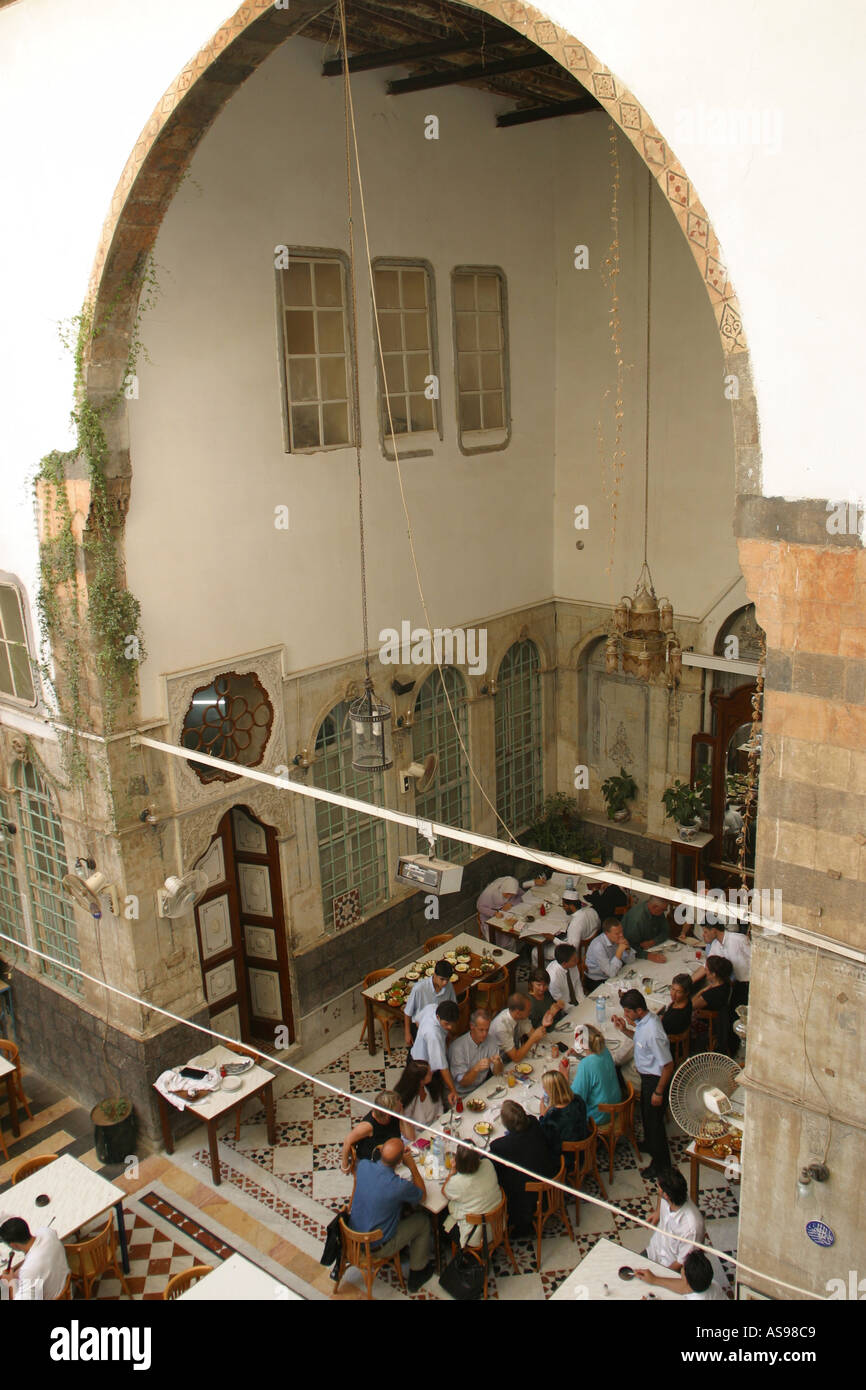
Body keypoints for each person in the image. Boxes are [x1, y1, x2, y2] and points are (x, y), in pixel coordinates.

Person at [347, 1137, 434, 1291]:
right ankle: (417, 1273)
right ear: (400, 1160)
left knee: (400, 1209)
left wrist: (388, 1150)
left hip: (353, 1237)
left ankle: (404, 1251)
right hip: (376, 1246)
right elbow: (422, 1196)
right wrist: (412, 1167)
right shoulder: (398, 1186)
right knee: (422, 1220)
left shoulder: (364, 1166)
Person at [612, 989, 674, 1178]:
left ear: (639, 1010)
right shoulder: (643, 1023)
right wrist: (624, 1029)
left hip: (655, 1080)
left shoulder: (653, 1032)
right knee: (647, 1118)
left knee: (655, 1124)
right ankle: (649, 1143)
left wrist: (658, 1092)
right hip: (646, 1076)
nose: (626, 1016)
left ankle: (661, 1164)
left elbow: (668, 1065)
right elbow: (639, 1040)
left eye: (628, 1012)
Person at [489, 1100, 558, 1237]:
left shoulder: (500, 1146)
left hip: (529, 1200)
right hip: (551, 1181)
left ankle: (517, 1224)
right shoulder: (533, 1122)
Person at [441, 1142, 502, 1248]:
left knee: (441, 1218)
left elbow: (444, 1191)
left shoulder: (457, 1183)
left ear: (457, 1161)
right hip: (498, 1226)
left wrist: (452, 1171)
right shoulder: (488, 1164)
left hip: (477, 1237)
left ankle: (462, 1255)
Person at [644, 1168, 706, 1271]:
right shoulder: (672, 1195)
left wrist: (658, 1277)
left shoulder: (691, 1228)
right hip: (654, 1251)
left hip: (670, 1266)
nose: (657, 1189)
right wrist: (658, 1212)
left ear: (666, 1195)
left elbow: (681, 1263)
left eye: (658, 1187)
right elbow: (660, 1197)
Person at [0, 1217, 69, 1300]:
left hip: (55, 1296)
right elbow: (38, 1255)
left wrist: (10, 1284)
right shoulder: (46, 1232)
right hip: (66, 1284)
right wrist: (18, 1273)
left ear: (13, 1245)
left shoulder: (29, 1270)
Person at [410, 998, 461, 1106]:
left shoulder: (432, 1007)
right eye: (447, 1024)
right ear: (438, 1017)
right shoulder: (433, 1034)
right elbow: (442, 1067)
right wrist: (453, 1091)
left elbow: (417, 1021)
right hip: (422, 1066)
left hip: (416, 1053)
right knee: (431, 1098)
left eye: (452, 1024)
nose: (450, 1027)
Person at [569, 1024, 622, 1125]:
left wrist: (564, 1076)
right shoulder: (604, 1050)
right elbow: (595, 1065)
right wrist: (579, 1056)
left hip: (599, 1116)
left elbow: (575, 1099)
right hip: (615, 1105)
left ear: (581, 1043)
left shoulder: (586, 1065)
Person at [341, 1090, 403, 1172]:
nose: (401, 1105)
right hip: (372, 1162)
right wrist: (344, 1166)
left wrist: (403, 1116)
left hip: (390, 1156)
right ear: (389, 1113)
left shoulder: (395, 1117)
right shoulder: (368, 1126)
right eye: (399, 1104)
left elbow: (410, 1136)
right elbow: (347, 1141)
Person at [692, 922, 751, 1009]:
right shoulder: (716, 944)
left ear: (714, 931)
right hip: (737, 984)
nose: (703, 935)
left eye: (705, 932)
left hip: (750, 984)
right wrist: (689, 981)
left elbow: (757, 960)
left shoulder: (739, 939)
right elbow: (706, 966)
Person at [450, 1008, 504, 1096]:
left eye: (487, 1029)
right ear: (472, 1026)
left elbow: (498, 1073)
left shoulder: (491, 1041)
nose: (485, 1034)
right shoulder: (457, 1048)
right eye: (481, 1030)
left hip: (481, 1089)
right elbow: (462, 1082)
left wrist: (498, 1064)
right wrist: (476, 1069)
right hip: (462, 1095)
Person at [635, 1248, 726, 1299]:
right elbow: (684, 1287)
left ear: (686, 1279)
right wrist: (654, 1279)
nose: (681, 1266)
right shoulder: (711, 1284)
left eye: (683, 1267)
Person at [403, 960, 457, 1046]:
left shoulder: (449, 986)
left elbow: (453, 1006)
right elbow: (407, 1012)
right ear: (434, 975)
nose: (445, 983)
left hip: (439, 1027)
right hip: (419, 1027)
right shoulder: (419, 988)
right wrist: (407, 1033)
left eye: (447, 980)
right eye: (442, 979)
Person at [539, 1069, 588, 1159]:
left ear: (551, 1092)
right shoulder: (578, 1099)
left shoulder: (552, 1118)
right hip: (585, 1146)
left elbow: (545, 1138)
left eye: (545, 1088)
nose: (543, 1089)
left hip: (567, 1158)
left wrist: (542, 1115)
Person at [691, 955, 735, 1054]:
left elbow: (691, 1005)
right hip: (718, 1019)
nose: (705, 971)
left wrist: (700, 991)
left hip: (708, 1024)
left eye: (706, 970)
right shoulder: (726, 984)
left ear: (714, 974)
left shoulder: (710, 994)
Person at [393, 1059, 444, 1141]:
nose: (432, 1072)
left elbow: (439, 1106)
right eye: (428, 1073)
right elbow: (409, 1132)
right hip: (417, 1136)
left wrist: (439, 1122)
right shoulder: (407, 1099)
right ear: (420, 1080)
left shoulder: (431, 1085)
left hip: (436, 1128)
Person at [490, 993, 548, 1064]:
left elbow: (535, 1036)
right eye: (528, 1010)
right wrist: (533, 1038)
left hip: (516, 1054)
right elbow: (516, 1058)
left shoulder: (521, 1017)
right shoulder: (501, 1027)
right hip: (499, 1061)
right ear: (518, 1013)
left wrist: (544, 1025)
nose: (530, 1013)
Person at [584, 917, 636, 993]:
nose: (621, 935)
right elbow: (611, 973)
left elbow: (631, 961)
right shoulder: (598, 946)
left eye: (621, 931)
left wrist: (627, 949)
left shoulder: (617, 939)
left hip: (615, 972)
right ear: (607, 933)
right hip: (598, 980)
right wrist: (619, 952)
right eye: (617, 933)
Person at [621, 896, 670, 960]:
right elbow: (628, 948)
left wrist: (653, 942)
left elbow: (666, 931)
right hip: (632, 955)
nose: (664, 912)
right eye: (664, 909)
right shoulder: (637, 919)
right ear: (654, 907)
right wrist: (648, 956)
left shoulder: (658, 911)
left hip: (652, 948)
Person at [476, 875, 523, 940]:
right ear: (503, 889)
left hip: (505, 915)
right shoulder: (489, 893)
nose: (509, 896)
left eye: (512, 895)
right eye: (507, 894)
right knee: (496, 937)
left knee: (509, 932)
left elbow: (521, 895)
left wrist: (511, 903)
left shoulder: (513, 888)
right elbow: (480, 907)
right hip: (489, 917)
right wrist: (494, 913)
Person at [547, 942, 584, 1007]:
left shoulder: (573, 965)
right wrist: (574, 1010)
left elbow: (577, 985)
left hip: (574, 1001)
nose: (577, 960)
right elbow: (559, 1001)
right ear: (564, 963)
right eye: (574, 960)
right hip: (562, 1006)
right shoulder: (553, 978)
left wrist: (582, 1003)